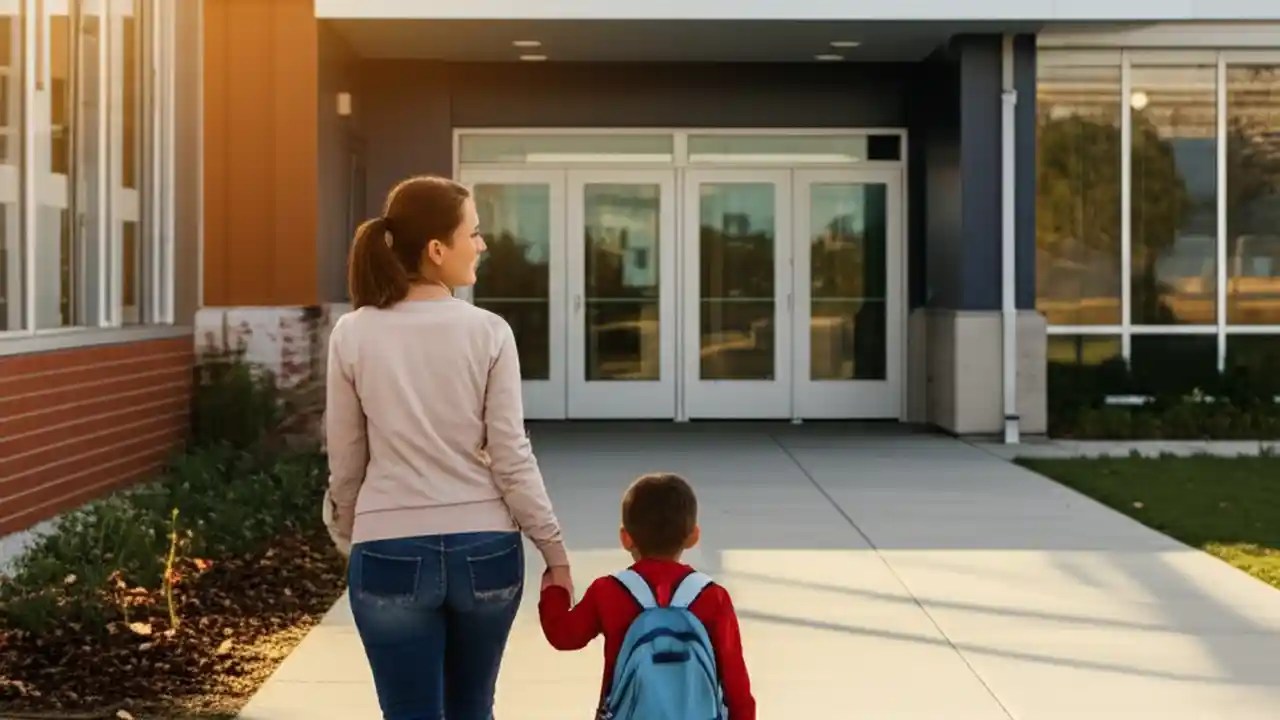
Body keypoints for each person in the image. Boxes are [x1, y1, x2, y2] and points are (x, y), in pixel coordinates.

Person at [324, 175, 573, 720]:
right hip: (486, 553)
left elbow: (346, 460)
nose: (482, 245)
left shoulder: (352, 333)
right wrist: (553, 552)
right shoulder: (489, 332)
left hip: (389, 550)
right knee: (472, 709)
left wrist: (351, 529)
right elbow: (511, 456)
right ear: (437, 251)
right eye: (474, 234)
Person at [539, 473, 755, 719]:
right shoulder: (713, 597)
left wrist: (555, 590)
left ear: (625, 538)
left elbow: (564, 635)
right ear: (694, 536)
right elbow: (737, 686)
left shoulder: (608, 591)